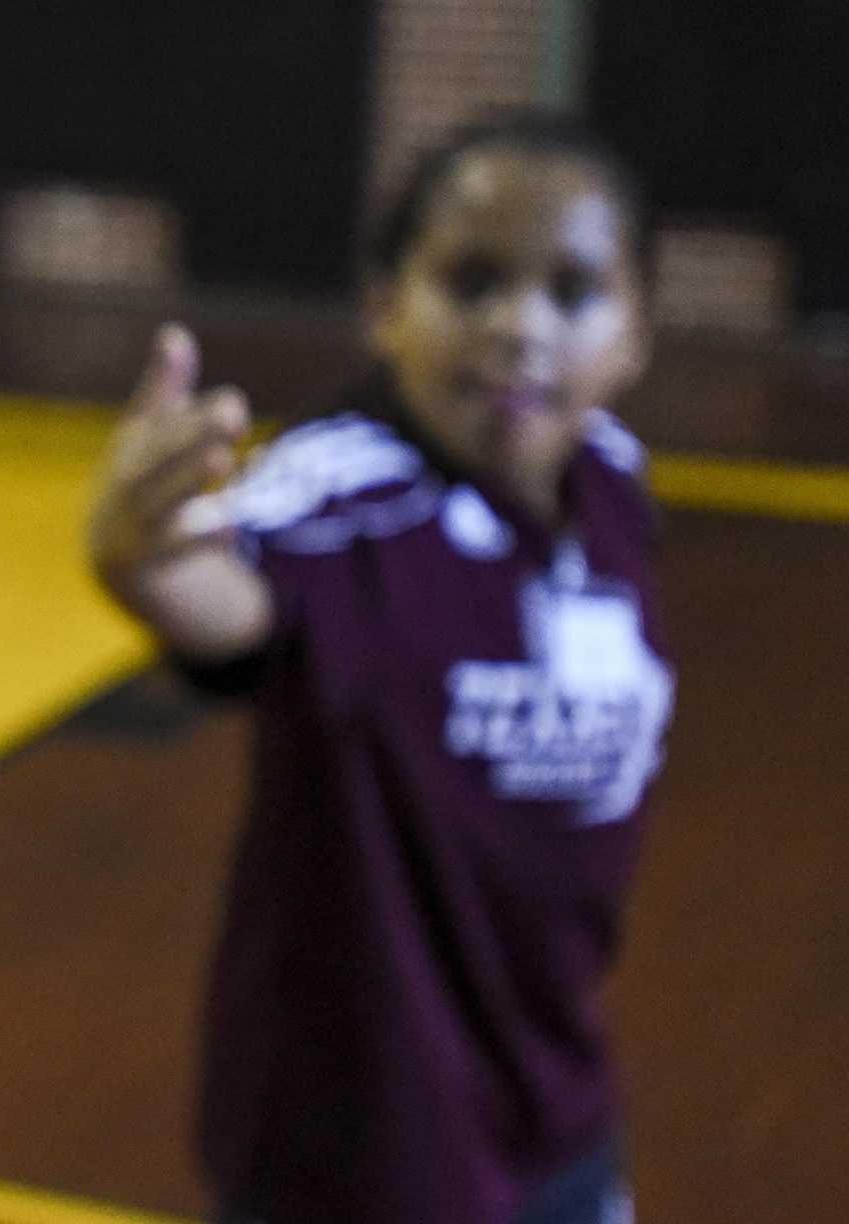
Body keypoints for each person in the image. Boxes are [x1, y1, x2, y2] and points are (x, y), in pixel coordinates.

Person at [88, 112, 669, 1224]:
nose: (518, 327)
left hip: (552, 1092)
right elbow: (230, 599)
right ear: (383, 306)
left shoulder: (609, 484)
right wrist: (145, 558)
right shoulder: (341, 495)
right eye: (470, 282)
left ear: (634, 333)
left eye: (572, 291)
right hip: (361, 1141)